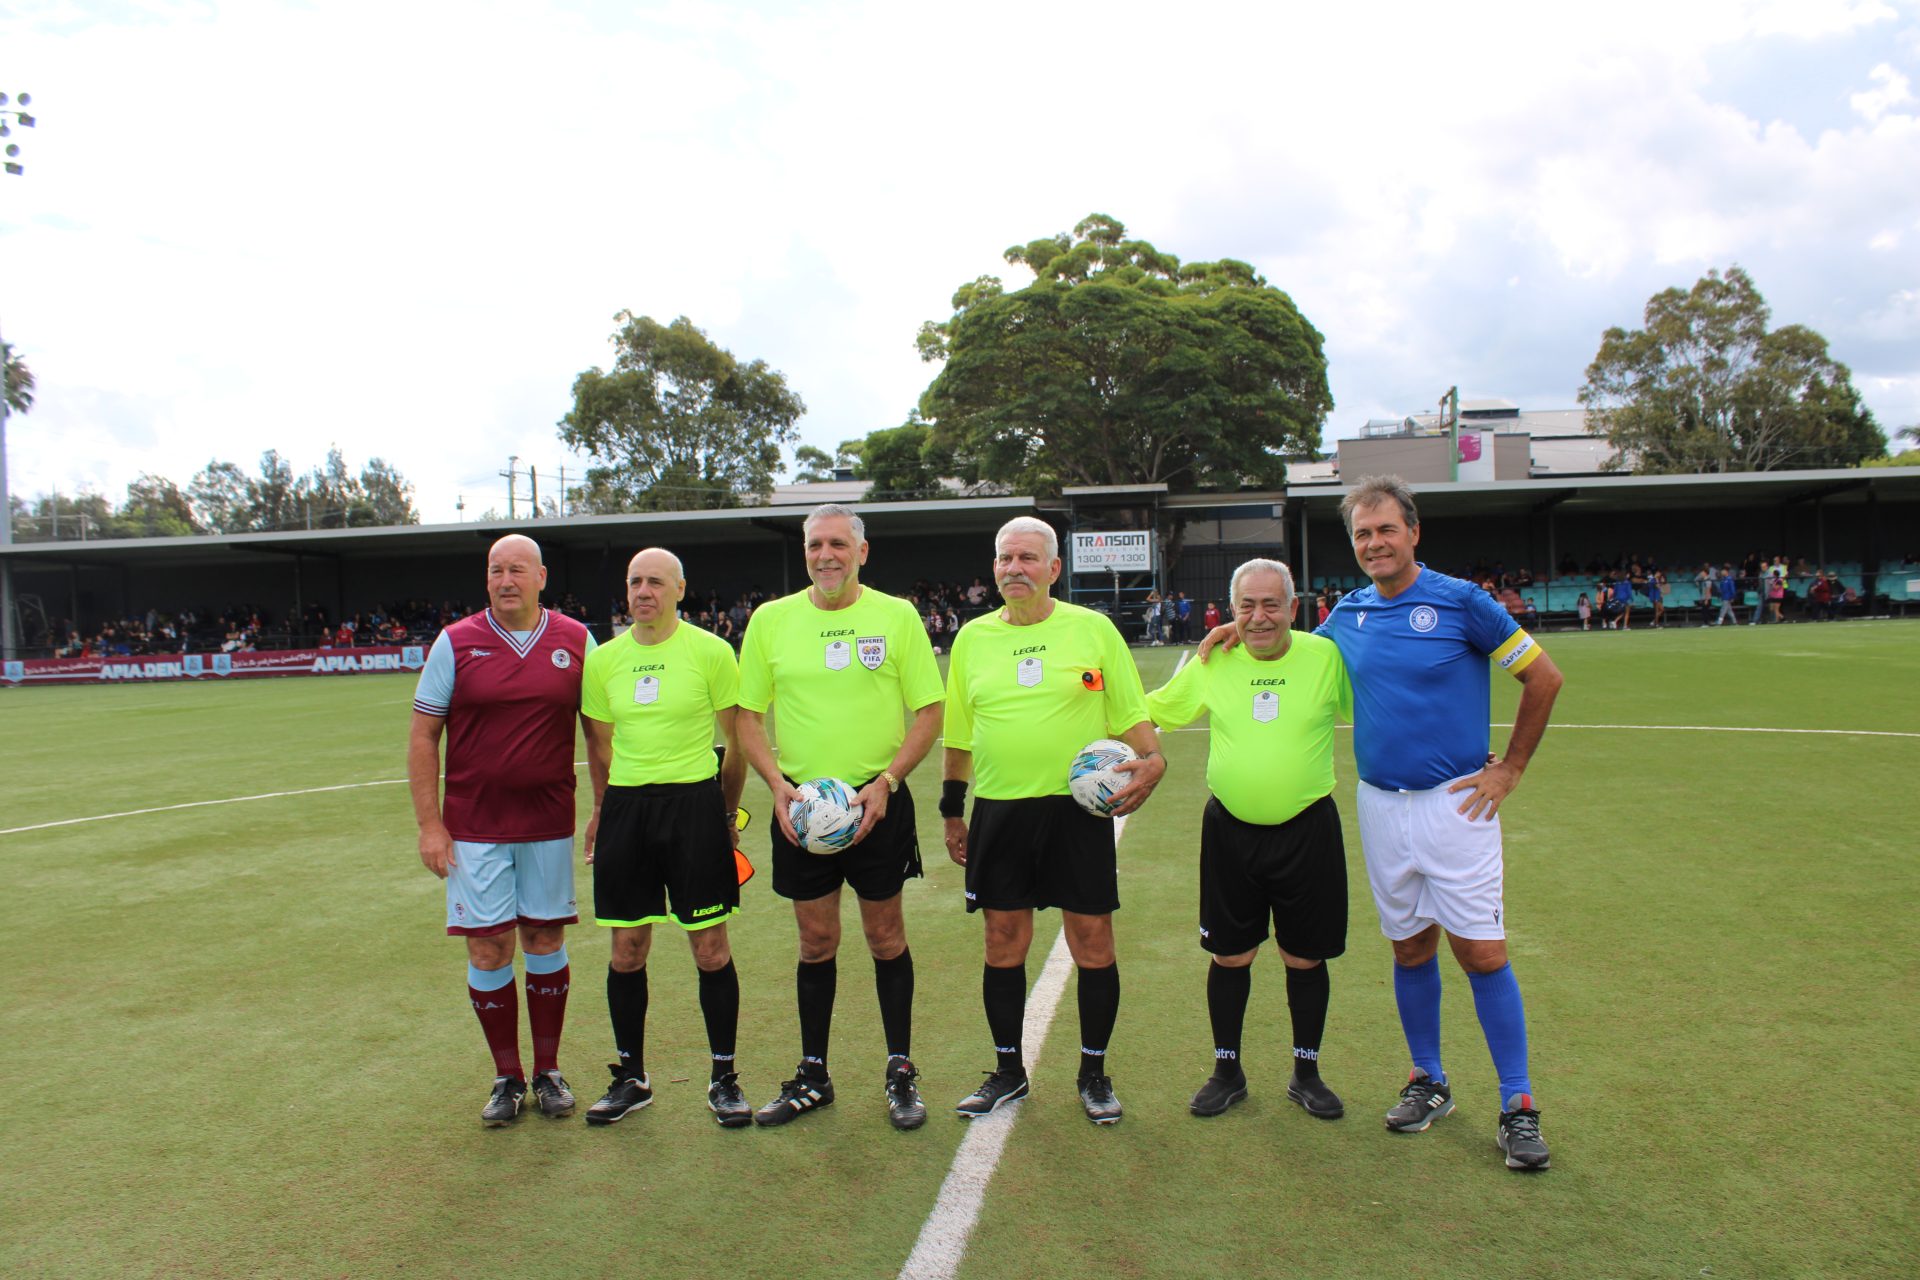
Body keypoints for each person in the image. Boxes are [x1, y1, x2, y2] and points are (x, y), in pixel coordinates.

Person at [1200, 475, 1564, 1171]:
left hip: (1456, 804)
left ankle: (1518, 1105)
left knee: (1481, 952)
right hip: (1379, 805)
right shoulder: (1348, 617)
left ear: (1413, 531)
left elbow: (1543, 677)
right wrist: (1239, 625)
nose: (1374, 544)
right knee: (1409, 949)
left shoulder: (1464, 602)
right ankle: (1428, 1080)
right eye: (1362, 534)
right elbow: (1290, 647)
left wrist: (1509, 769)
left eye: (1386, 529)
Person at [941, 516, 1167, 1124]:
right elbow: (958, 735)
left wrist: (1153, 757)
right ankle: (1008, 1071)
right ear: (994, 569)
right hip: (1000, 810)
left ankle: (1094, 1073)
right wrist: (951, 810)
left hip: (1077, 814)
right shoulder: (971, 640)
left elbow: (1127, 709)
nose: (1015, 569)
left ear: (1054, 569)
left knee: (1092, 942)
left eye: (1028, 558)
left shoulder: (1093, 630)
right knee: (1002, 941)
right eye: (1004, 559)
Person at [735, 505, 945, 1130]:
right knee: (816, 940)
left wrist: (887, 782)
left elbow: (930, 710)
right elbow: (747, 715)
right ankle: (813, 1075)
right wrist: (775, 786)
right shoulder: (771, 621)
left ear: (862, 551)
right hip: (802, 808)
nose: (825, 555)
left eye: (837, 544)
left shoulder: (896, 615)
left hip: (875, 803)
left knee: (885, 937)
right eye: (814, 545)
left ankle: (900, 1071)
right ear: (804, 552)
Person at [1145, 558, 1352, 1121]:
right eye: (1247, 606)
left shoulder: (1326, 657)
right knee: (1231, 954)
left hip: (1308, 829)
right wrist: (1086, 693)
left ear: (1292, 608)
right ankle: (1227, 1070)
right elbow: (1153, 710)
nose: (1259, 618)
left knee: (1304, 956)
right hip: (1230, 831)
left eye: (1271, 605)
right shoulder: (1215, 660)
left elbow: (1382, 714)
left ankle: (1306, 1072)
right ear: (1232, 611)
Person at [408, 534, 592, 1127]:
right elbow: (422, 736)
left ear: (542, 576)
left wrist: (605, 808)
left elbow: (602, 734)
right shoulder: (455, 642)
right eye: (495, 571)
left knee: (544, 940)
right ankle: (506, 1077)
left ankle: (548, 1071)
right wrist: (430, 825)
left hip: (548, 822)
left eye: (516, 569)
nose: (505, 579)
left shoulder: (576, 639)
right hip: (474, 827)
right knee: (488, 944)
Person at [579, 547, 753, 1128]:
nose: (643, 591)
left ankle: (724, 1077)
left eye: (656, 581)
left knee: (710, 947)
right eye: (635, 582)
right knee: (626, 950)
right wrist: (602, 809)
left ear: (680, 588)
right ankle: (632, 1077)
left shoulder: (710, 651)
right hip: (628, 811)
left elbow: (737, 744)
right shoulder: (603, 661)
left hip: (694, 807)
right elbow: (599, 749)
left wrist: (725, 816)